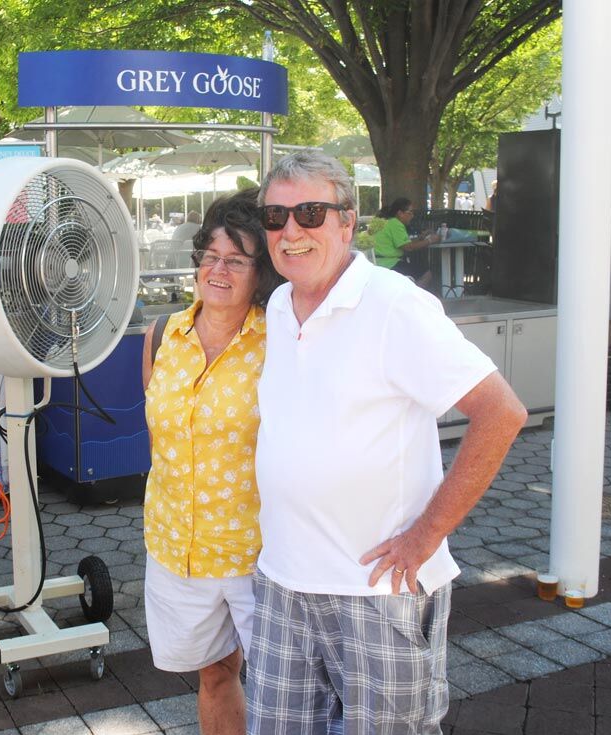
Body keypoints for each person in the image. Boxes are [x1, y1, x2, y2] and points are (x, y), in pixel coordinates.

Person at [248, 151, 527, 734]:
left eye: (310, 213)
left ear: (347, 222)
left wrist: (426, 536)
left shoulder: (395, 304)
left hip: (377, 592)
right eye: (276, 217)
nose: (290, 231)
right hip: (283, 585)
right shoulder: (278, 304)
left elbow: (501, 413)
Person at [142, 188, 282, 735]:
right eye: (210, 256)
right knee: (216, 677)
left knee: (285, 691)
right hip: (180, 549)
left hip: (261, 555)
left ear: (260, 273)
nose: (218, 270)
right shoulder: (161, 337)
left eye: (237, 260)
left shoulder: (283, 342)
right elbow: (159, 440)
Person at [372, 197, 440, 285]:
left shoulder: (387, 222)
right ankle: (412, 296)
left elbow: (404, 242)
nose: (412, 216)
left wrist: (420, 237)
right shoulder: (395, 224)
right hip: (389, 264)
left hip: (379, 262)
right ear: (400, 213)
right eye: (410, 212)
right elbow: (408, 247)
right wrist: (430, 240)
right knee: (426, 275)